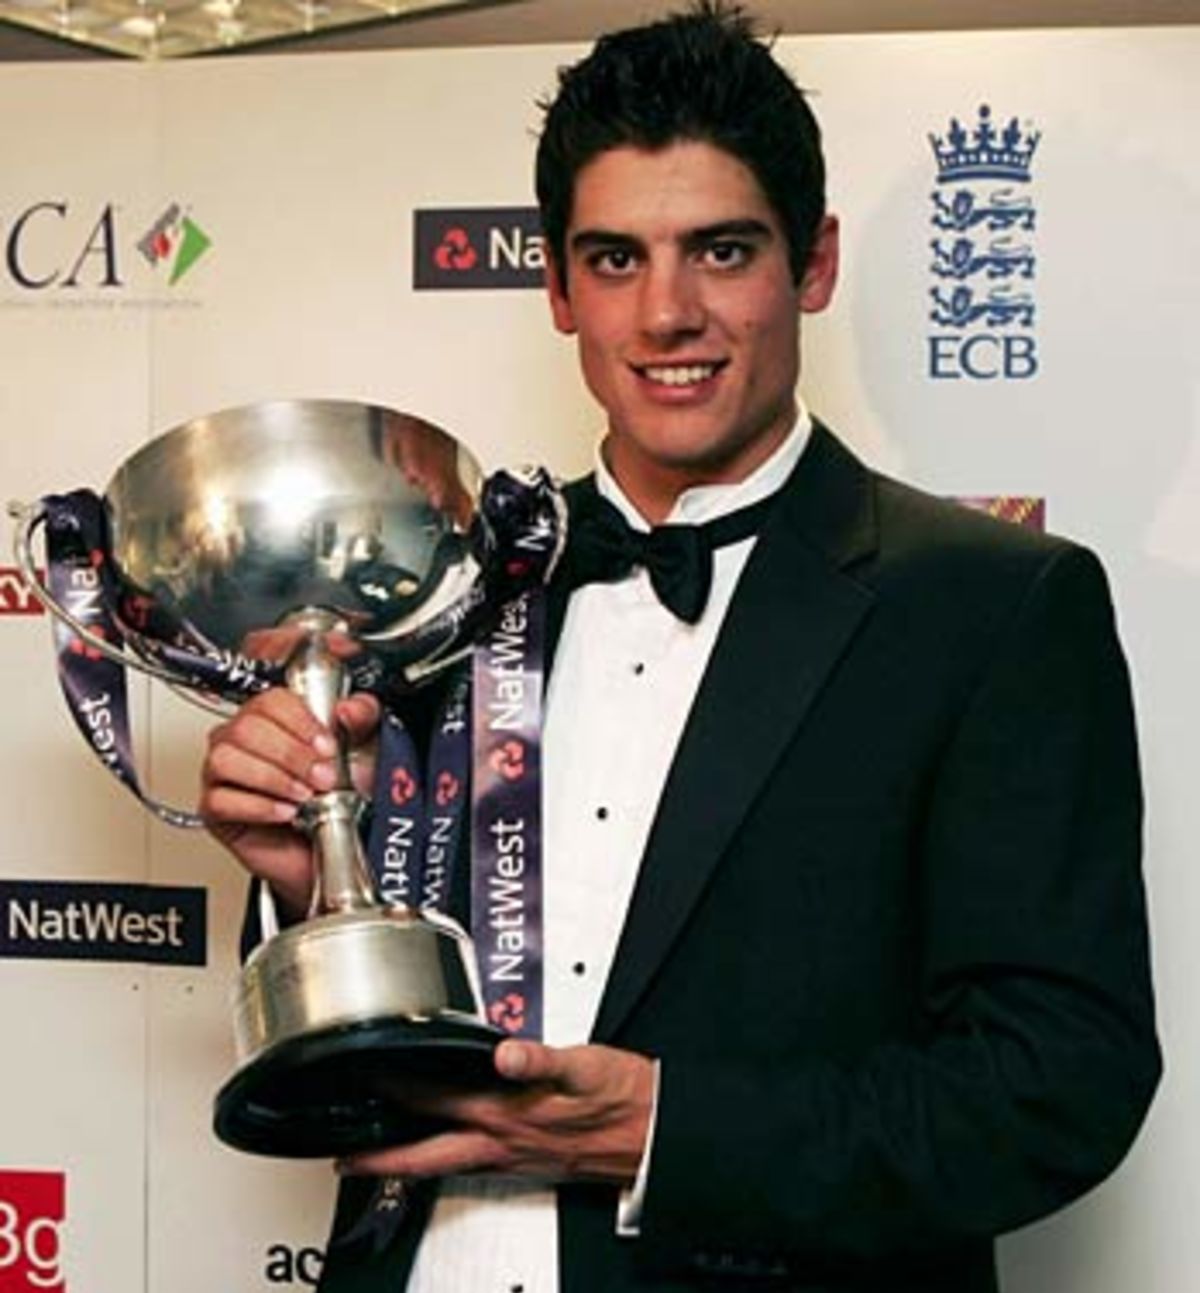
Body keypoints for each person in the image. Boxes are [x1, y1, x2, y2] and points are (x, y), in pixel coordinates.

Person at [199, 4, 1160, 1290]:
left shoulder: (992, 609)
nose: (667, 313)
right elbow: (380, 1030)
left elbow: (1059, 1084)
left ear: (809, 265)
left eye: (720, 250)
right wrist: (308, 879)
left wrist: (663, 1132)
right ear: (553, 284)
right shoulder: (442, 591)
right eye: (613, 260)